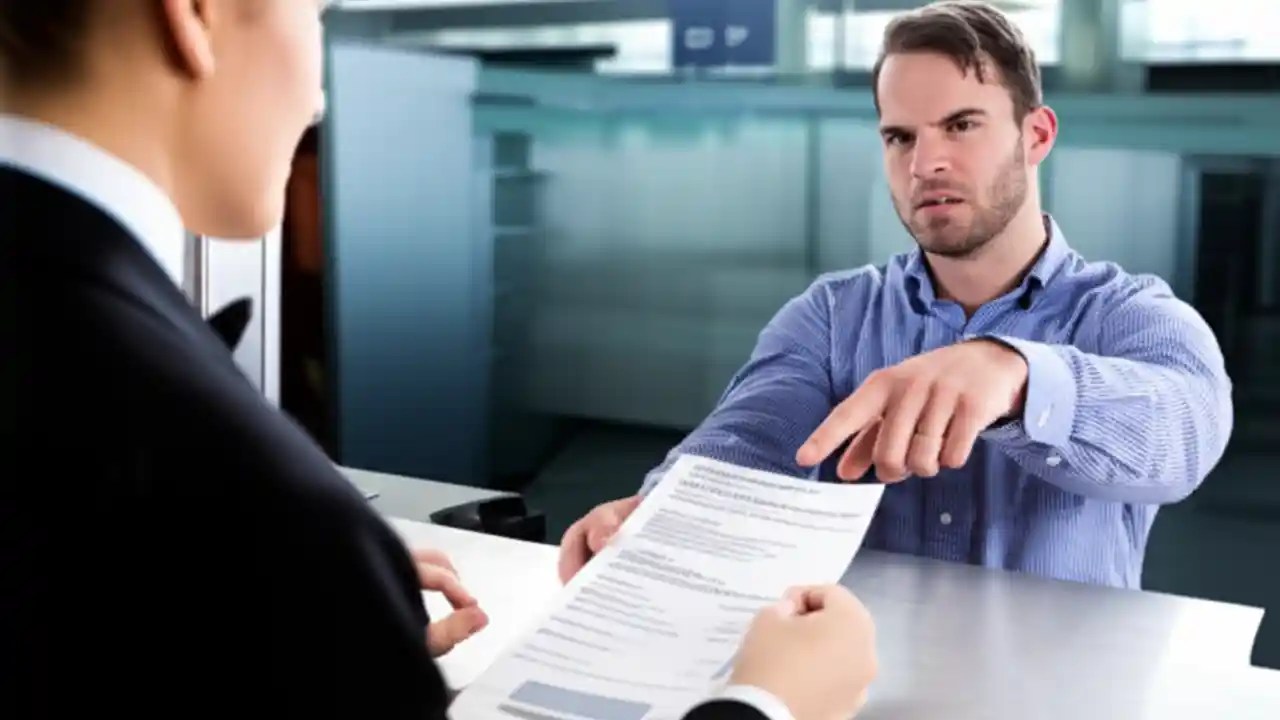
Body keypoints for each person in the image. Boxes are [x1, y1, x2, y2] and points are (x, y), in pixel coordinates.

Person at [0, 2, 876, 719]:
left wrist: (299, 646)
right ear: (196, 14)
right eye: (315, 8)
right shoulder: (239, 499)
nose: (315, 95)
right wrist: (769, 704)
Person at [560, 0, 1233, 591]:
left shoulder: (1133, 316)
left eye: (961, 125)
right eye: (899, 136)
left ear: (1036, 136)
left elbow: (1184, 435)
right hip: (857, 683)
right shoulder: (831, 317)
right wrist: (664, 513)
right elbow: (749, 441)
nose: (924, 163)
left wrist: (1017, 376)